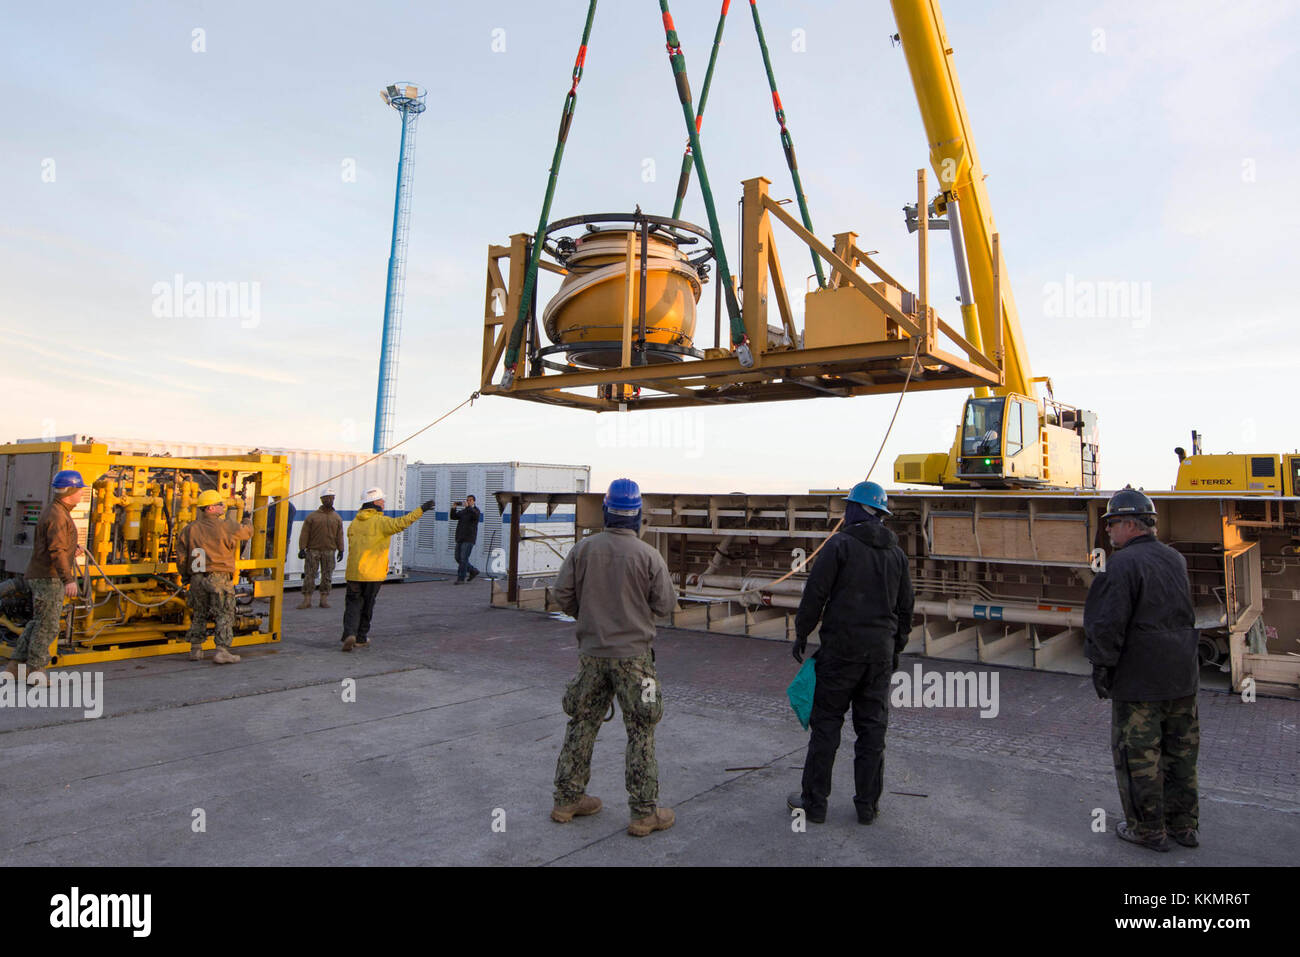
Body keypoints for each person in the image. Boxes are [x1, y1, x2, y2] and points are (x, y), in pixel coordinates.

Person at [550, 478, 678, 837]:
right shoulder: (649, 556)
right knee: (641, 730)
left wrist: (589, 618)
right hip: (636, 661)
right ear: (637, 516)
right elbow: (666, 605)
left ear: (606, 511)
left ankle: (566, 800)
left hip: (592, 655)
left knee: (582, 723)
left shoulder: (583, 550)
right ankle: (643, 814)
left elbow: (562, 593)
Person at [788, 480, 914, 825]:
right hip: (878, 658)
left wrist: (801, 633)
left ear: (858, 510)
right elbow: (906, 611)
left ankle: (814, 805)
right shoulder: (897, 555)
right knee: (872, 732)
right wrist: (894, 649)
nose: (844, 513)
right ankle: (867, 807)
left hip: (841, 654)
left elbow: (816, 594)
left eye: (848, 506)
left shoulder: (838, 546)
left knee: (827, 726)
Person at [1084, 485, 1200, 852]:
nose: (1110, 533)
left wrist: (1102, 669)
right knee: (1181, 753)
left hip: (1141, 682)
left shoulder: (1120, 565)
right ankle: (1184, 826)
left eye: (1112, 524)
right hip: (1182, 676)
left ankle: (1148, 830)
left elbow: (1106, 624)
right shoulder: (1175, 560)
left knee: (1138, 756)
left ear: (1129, 525)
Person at [4, 470, 86, 685]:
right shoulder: (58, 515)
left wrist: (71, 550)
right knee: (48, 625)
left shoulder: (56, 510)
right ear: (71, 492)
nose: (81, 494)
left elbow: (57, 547)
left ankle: (14, 667)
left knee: (37, 623)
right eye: (80, 490)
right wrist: (69, 580)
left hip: (42, 574)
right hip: (49, 578)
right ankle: (36, 671)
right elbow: (56, 550)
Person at [341, 487, 432, 652]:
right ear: (375, 502)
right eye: (382, 500)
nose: (384, 502)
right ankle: (361, 638)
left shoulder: (355, 522)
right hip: (373, 574)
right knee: (368, 605)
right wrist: (421, 510)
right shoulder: (381, 522)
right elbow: (401, 523)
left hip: (354, 572)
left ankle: (349, 634)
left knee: (353, 604)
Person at [177, 489, 254, 665]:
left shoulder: (189, 529)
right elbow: (247, 532)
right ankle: (222, 651)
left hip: (196, 577)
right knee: (224, 613)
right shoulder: (226, 525)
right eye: (220, 504)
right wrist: (247, 519)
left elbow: (181, 558)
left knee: (199, 613)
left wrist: (186, 577)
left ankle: (195, 649)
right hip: (218, 577)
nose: (223, 506)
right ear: (210, 508)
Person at [297, 488, 344, 608]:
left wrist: (341, 550)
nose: (330, 500)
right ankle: (307, 600)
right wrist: (302, 548)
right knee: (309, 575)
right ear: (322, 499)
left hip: (329, 551)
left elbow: (340, 535)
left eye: (332, 497)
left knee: (327, 575)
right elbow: (305, 533)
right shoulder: (312, 517)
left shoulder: (337, 518)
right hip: (313, 550)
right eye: (327, 497)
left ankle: (324, 599)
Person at [449, 495, 482, 584]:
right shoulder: (464, 511)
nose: (468, 501)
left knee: (463, 558)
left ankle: (461, 578)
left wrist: (468, 507)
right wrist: (453, 508)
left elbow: (475, 516)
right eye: (467, 500)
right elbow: (453, 517)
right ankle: (472, 570)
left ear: (474, 501)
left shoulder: (476, 511)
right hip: (460, 537)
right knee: (458, 558)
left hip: (469, 538)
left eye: (470, 500)